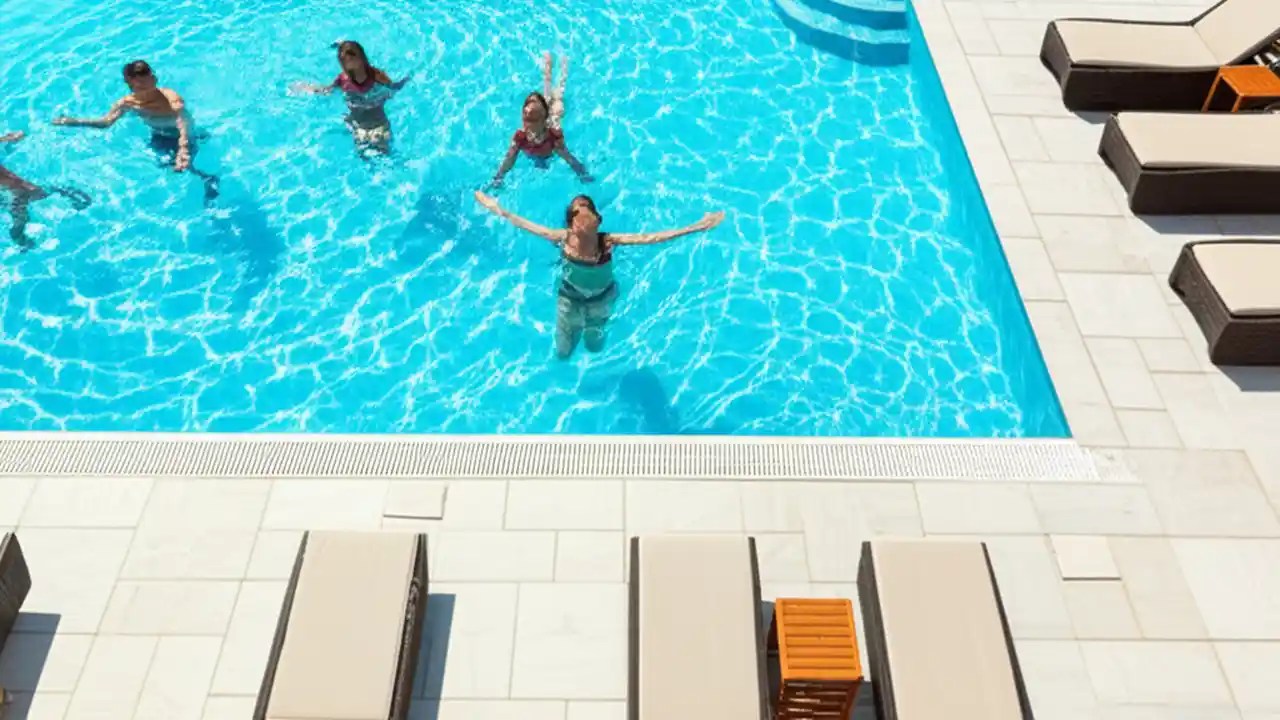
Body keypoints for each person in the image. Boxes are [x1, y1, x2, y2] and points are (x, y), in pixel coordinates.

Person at [474, 190, 724, 358]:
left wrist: (697, 226)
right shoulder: (562, 238)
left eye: (585, 209)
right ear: (570, 222)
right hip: (568, 299)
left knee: (595, 347)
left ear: (597, 217)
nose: (581, 214)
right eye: (576, 212)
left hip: (602, 299)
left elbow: (652, 238)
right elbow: (522, 222)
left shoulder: (608, 241)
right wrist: (496, 208)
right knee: (563, 351)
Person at [53, 60, 218, 200]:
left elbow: (182, 121)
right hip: (159, 136)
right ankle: (198, 176)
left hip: (184, 136)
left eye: (150, 82)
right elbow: (106, 122)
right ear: (130, 85)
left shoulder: (170, 97)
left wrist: (184, 148)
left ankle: (208, 179)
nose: (148, 90)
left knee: (185, 166)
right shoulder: (127, 103)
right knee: (166, 167)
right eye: (141, 86)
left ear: (154, 78)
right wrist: (74, 122)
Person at [490, 53, 591, 187]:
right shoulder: (520, 137)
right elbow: (509, 159)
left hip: (553, 121)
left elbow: (568, 157)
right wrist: (498, 177)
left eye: (532, 119)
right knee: (548, 95)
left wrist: (582, 173)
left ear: (543, 119)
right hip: (546, 124)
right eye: (526, 119)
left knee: (558, 99)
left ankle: (563, 64)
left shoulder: (553, 137)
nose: (528, 123)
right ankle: (548, 65)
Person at [293, 41, 410, 155]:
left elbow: (393, 88)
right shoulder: (342, 79)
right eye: (344, 60)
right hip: (356, 121)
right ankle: (341, 45)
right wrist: (308, 88)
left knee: (383, 151)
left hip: (378, 121)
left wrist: (406, 79)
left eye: (351, 58)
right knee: (364, 154)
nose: (349, 63)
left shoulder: (377, 75)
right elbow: (328, 90)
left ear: (361, 57)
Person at [1, 131, 91, 251]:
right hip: (16, 193)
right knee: (22, 217)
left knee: (23, 215)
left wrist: (8, 139)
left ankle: (23, 242)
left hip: (17, 191)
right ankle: (22, 242)